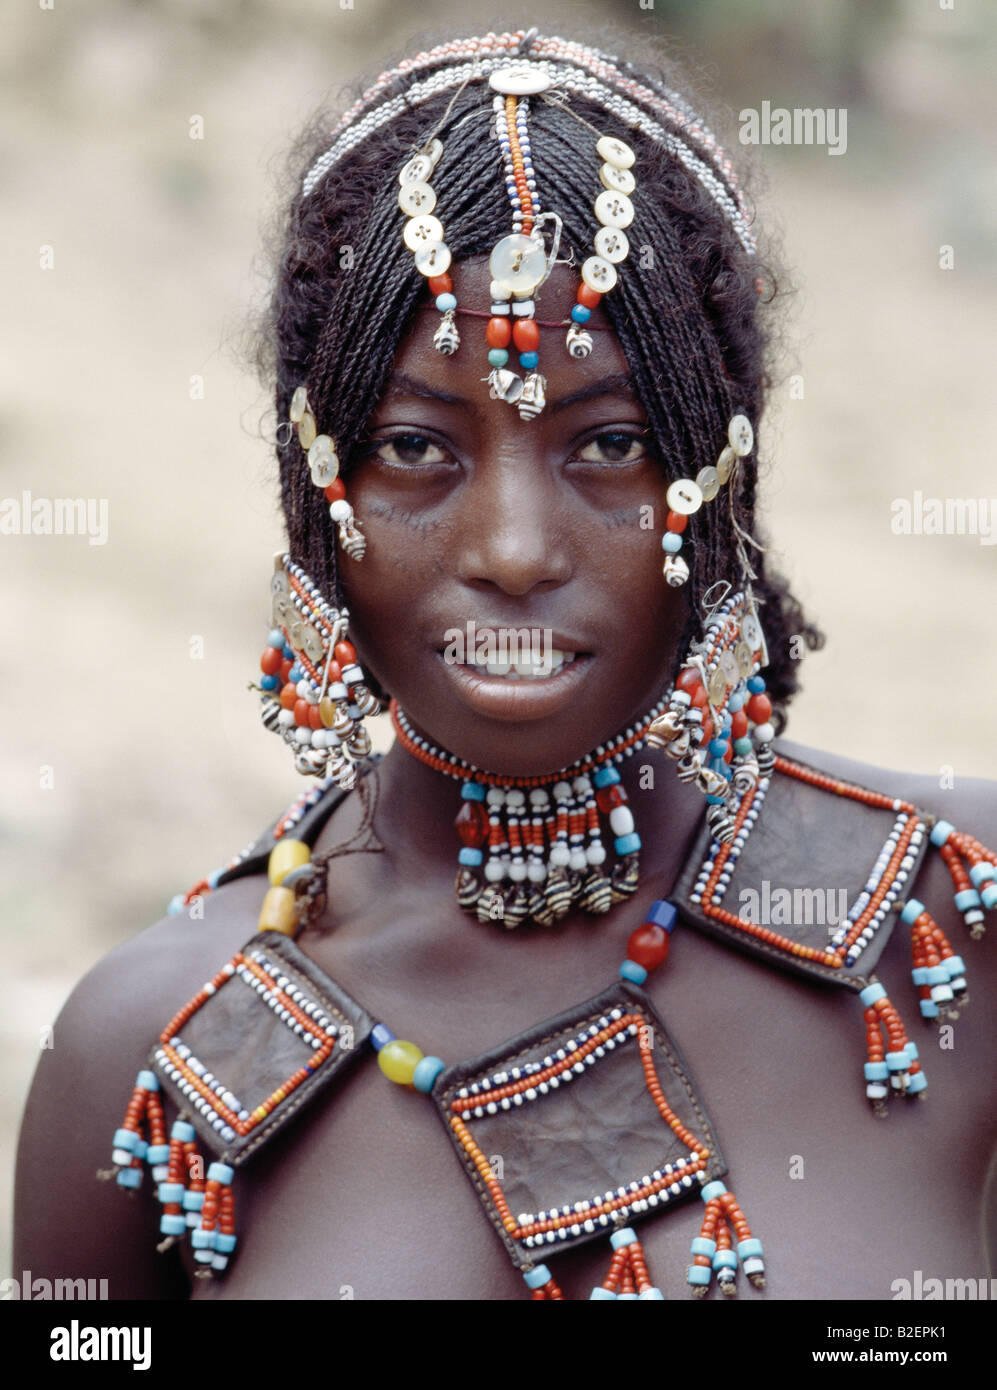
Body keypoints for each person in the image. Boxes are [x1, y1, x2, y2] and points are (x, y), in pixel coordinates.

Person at [14, 27, 997, 1304]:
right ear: (316, 488)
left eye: (613, 445)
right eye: (419, 449)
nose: (516, 549)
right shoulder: (146, 1054)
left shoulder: (952, 924)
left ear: (720, 479)